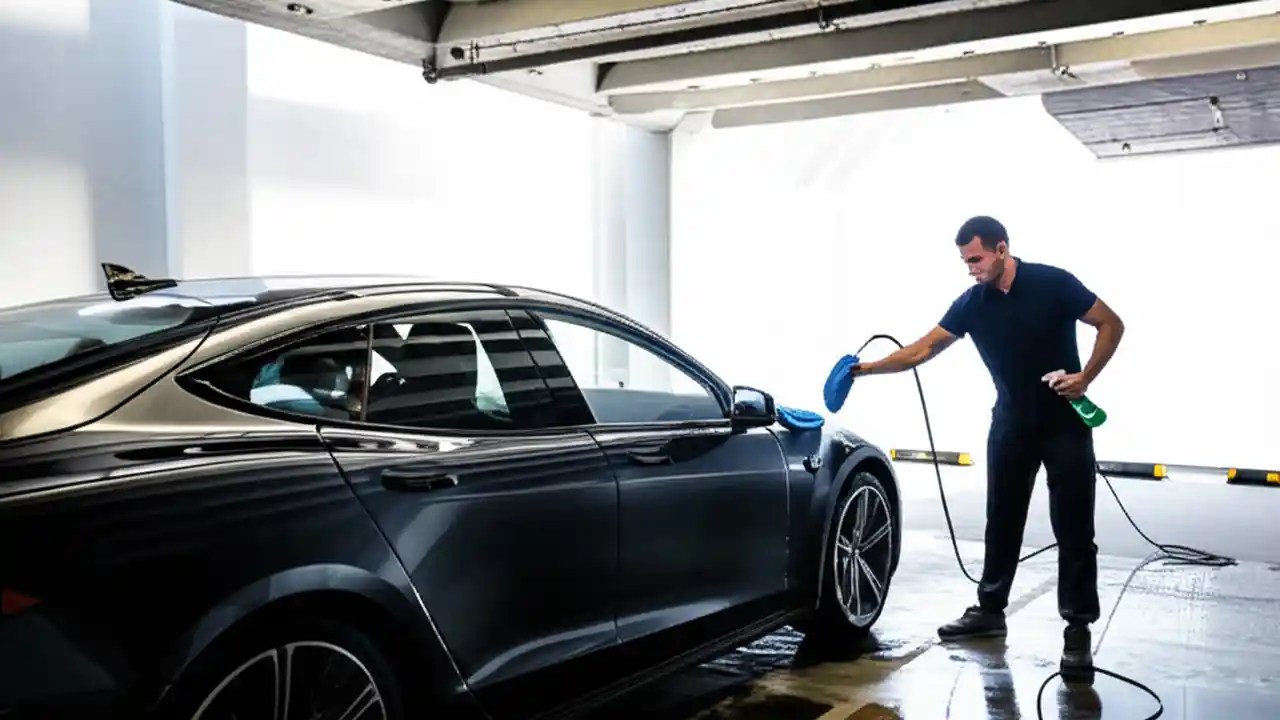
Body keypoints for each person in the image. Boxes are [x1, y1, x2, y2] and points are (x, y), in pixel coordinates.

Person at [850, 215, 1124, 683]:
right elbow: (922, 349)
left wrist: (1086, 378)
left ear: (1001, 249)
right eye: (964, 261)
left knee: (1075, 528)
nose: (970, 268)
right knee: (1002, 521)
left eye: (975, 258)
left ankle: (1077, 630)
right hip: (1011, 426)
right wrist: (866, 369)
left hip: (1065, 425)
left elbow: (1110, 324)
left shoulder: (1053, 283)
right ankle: (990, 610)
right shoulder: (972, 303)